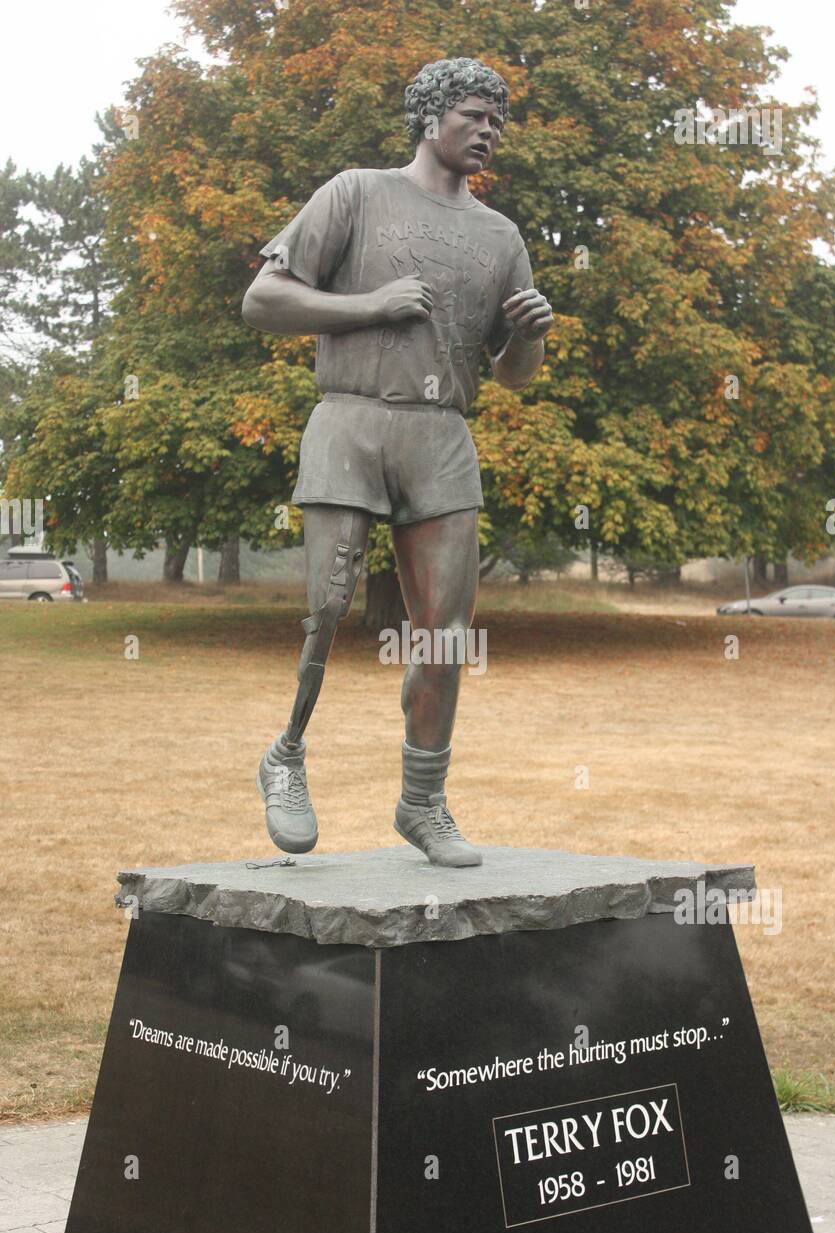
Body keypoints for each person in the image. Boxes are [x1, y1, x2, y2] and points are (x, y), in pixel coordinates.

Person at [242, 56, 553, 867]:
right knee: (329, 607)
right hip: (350, 419)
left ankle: (423, 802)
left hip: (441, 434)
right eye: (476, 115)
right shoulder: (356, 192)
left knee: (445, 632)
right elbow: (264, 301)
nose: (489, 131)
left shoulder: (500, 236)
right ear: (431, 117)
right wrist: (368, 306)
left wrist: (529, 334)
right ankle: (286, 754)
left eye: (497, 121)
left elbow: (512, 376)